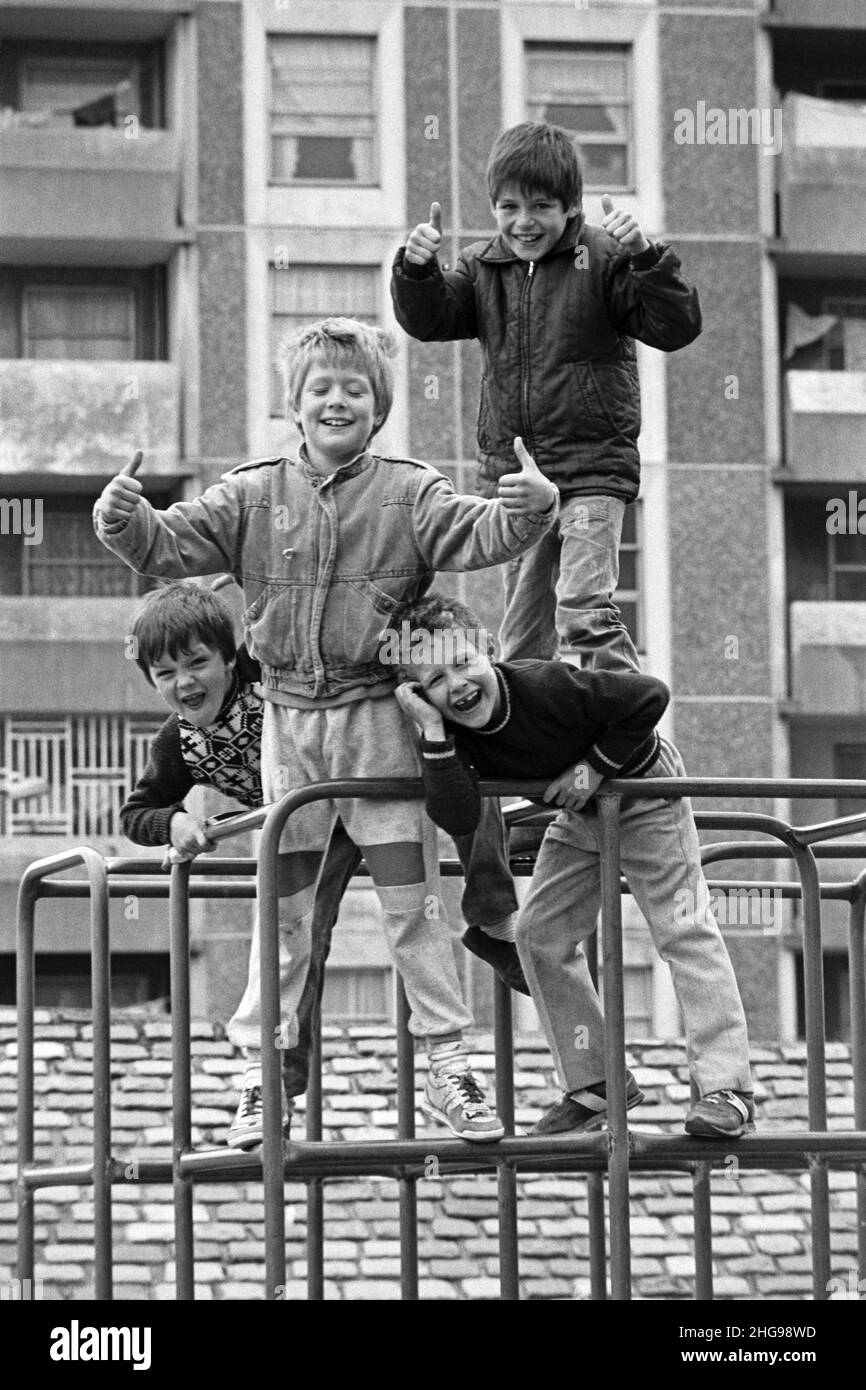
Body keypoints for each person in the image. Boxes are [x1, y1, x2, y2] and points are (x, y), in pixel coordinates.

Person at [95, 317, 558, 1143]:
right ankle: (264, 1080)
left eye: (354, 389)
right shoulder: (250, 493)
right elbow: (167, 545)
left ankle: (448, 1066)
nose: (337, 399)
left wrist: (530, 510)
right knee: (288, 919)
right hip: (292, 731)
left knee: (411, 908)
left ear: (378, 409)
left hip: (376, 722)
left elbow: (482, 530)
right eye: (321, 388)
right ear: (295, 406)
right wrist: (122, 519)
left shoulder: (409, 490)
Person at [120, 580, 529, 1149]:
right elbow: (137, 810)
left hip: (367, 786)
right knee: (297, 930)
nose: (186, 682)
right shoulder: (179, 742)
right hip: (313, 821)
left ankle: (490, 912)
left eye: (198, 662)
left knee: (460, 795)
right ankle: (278, 1076)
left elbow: (286, 616)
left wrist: (248, 568)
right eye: (166, 674)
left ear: (229, 656)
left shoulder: (264, 675)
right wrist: (177, 823)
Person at [389, 592, 756, 1141]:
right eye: (436, 680)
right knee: (538, 934)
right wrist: (434, 735)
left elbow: (648, 696)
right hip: (579, 813)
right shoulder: (450, 734)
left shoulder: (545, 685)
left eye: (464, 663)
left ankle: (728, 1088)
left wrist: (593, 769)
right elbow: (458, 811)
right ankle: (597, 1083)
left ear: (488, 650)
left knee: (683, 928)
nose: (458, 685)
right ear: (420, 694)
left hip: (641, 791)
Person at [391, 121, 702, 672]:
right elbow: (432, 319)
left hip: (592, 470)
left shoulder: (604, 258)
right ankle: (535, 748)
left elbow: (674, 327)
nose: (524, 222)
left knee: (583, 607)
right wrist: (416, 271)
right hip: (519, 479)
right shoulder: (483, 268)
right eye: (509, 207)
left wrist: (647, 258)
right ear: (493, 207)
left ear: (571, 206)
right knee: (524, 633)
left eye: (540, 206)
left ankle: (626, 723)